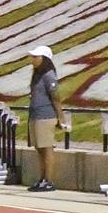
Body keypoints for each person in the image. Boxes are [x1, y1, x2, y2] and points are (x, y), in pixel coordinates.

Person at [23, 44, 70, 193]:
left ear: (44, 59)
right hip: (35, 114)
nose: (32, 60)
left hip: (46, 115)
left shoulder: (49, 74)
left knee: (46, 148)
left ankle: (48, 180)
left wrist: (60, 117)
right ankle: (42, 178)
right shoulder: (37, 74)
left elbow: (55, 97)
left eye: (36, 57)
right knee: (39, 149)